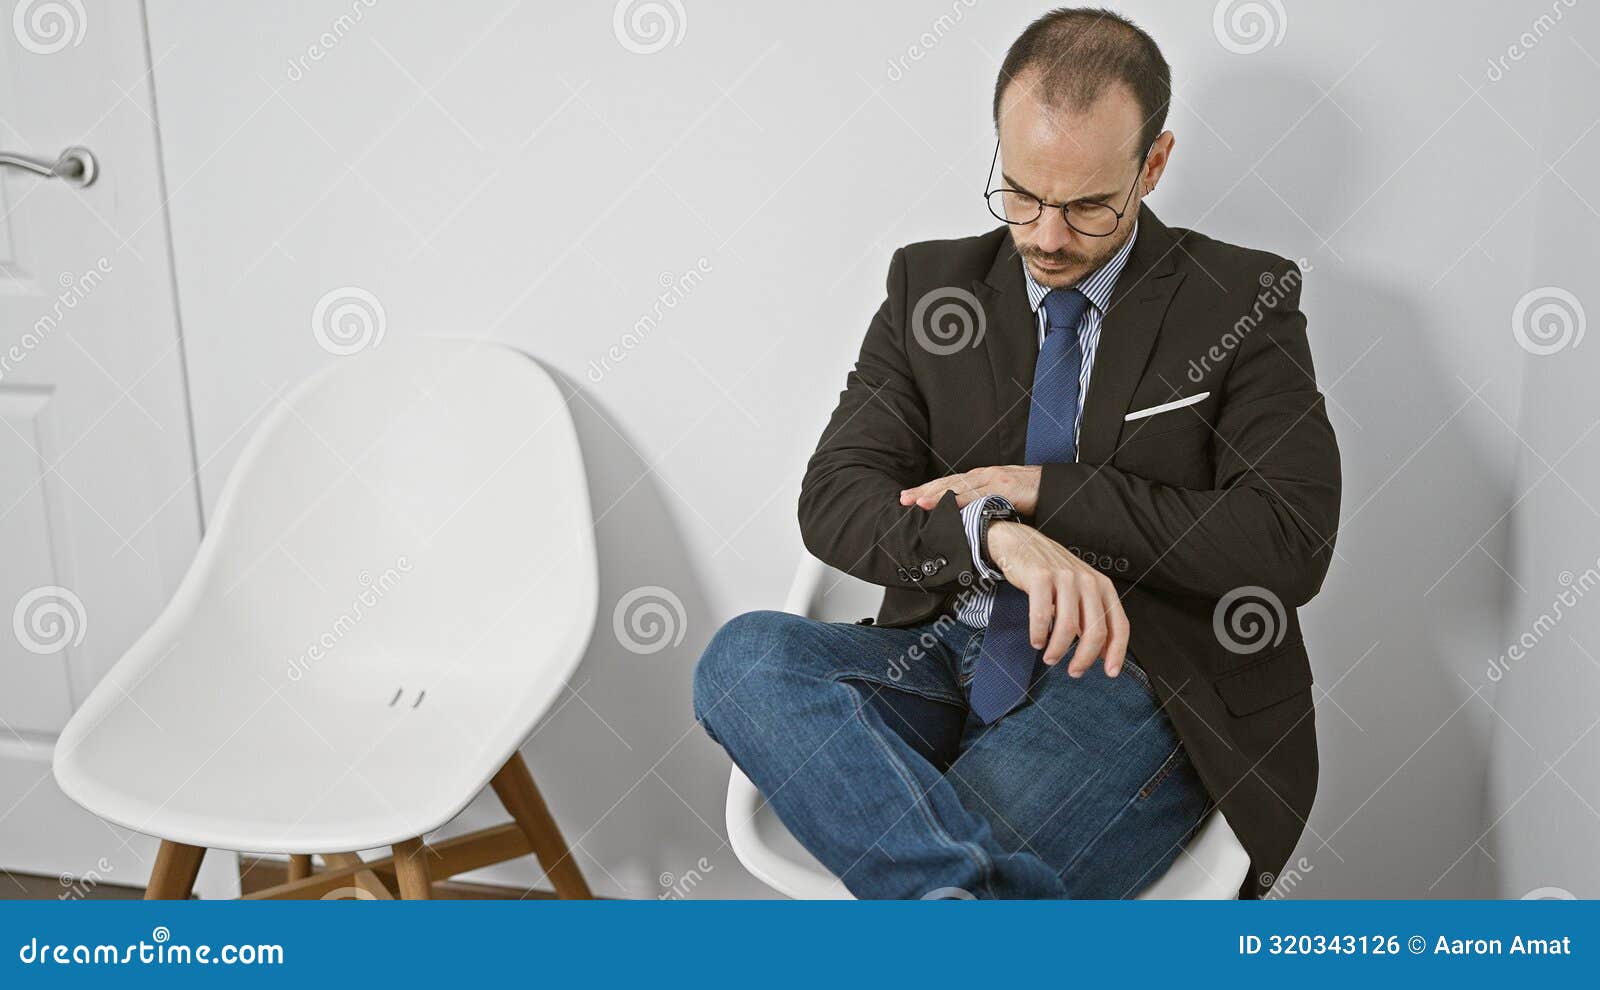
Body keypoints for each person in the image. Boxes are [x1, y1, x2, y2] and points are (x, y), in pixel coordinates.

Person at [693, 6, 1341, 899]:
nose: (1044, 236)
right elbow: (836, 496)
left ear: (1152, 165)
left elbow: (1288, 539)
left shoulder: (1240, 300)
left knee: (967, 856)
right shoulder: (932, 287)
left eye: (1086, 207)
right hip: (935, 656)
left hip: (1129, 680)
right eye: (1023, 196)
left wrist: (1049, 493)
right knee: (747, 662)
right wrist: (995, 531)